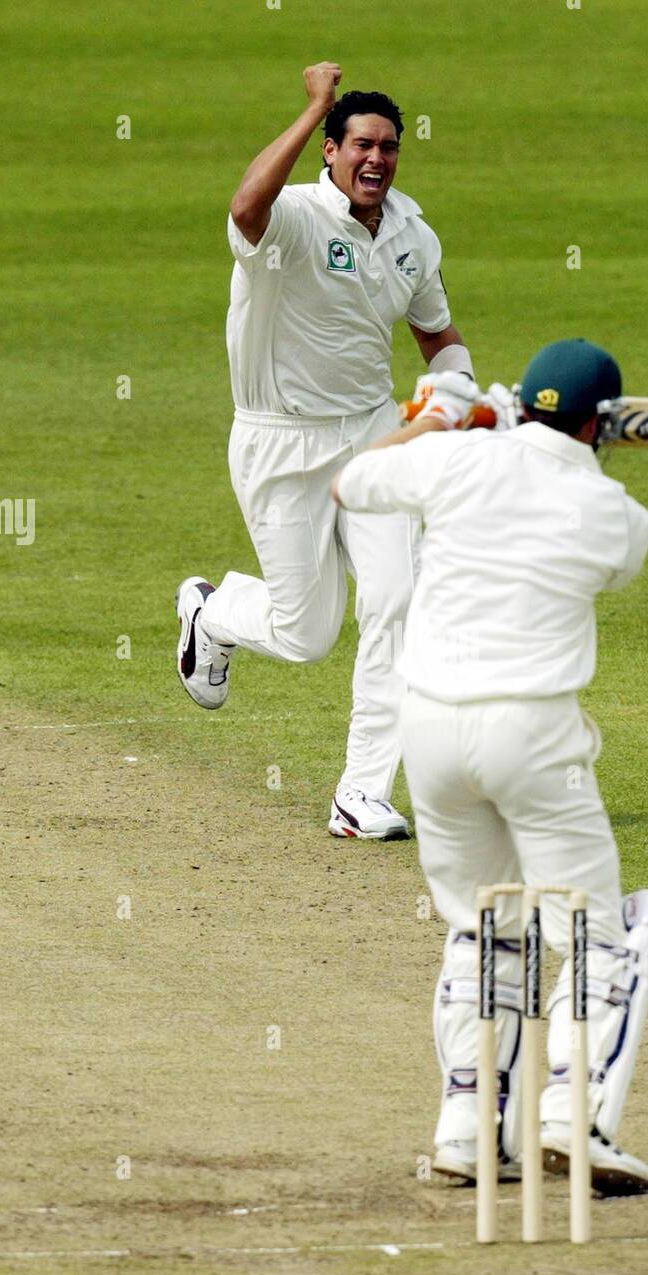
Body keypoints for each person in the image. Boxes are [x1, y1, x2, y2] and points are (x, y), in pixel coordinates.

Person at [331, 340, 648, 1193]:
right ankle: (570, 1117)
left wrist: (444, 416)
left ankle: (466, 1130)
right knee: (600, 934)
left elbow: (353, 482)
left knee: (483, 927)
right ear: (600, 425)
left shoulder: (457, 458)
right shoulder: (614, 511)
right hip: (533, 734)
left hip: (430, 732)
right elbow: (616, 551)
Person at [175, 61, 474, 841]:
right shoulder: (294, 219)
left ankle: (360, 793)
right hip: (280, 439)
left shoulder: (411, 231)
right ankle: (213, 613)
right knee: (308, 635)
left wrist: (455, 390)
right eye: (361, 146)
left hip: (373, 434)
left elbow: (436, 333)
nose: (376, 160)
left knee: (398, 602)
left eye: (389, 147)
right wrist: (312, 107)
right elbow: (244, 205)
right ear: (330, 152)